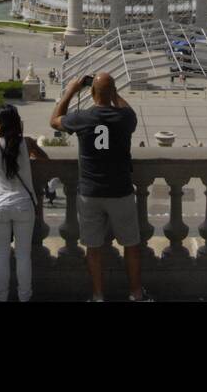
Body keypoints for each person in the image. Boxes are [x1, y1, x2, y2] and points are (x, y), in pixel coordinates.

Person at [51, 72, 151, 302]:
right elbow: (131, 113)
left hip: (90, 192)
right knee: (132, 245)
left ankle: (98, 296)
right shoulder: (124, 118)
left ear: (92, 93)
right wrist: (114, 94)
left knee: (94, 248)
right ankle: (136, 293)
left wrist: (70, 91)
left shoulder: (82, 118)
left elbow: (54, 120)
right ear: (113, 92)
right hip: (120, 191)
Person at [0, 104, 49, 302]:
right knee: (23, 256)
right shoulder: (26, 143)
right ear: (18, 122)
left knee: (1, 254)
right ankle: (24, 297)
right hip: (23, 206)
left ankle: (1, 297)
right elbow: (44, 159)